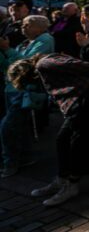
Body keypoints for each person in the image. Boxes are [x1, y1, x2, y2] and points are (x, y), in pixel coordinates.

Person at [28, 53, 89, 206]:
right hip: (81, 101)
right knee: (63, 139)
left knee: (77, 143)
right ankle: (62, 179)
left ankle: (72, 184)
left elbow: (80, 65)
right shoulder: (45, 67)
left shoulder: (43, 64)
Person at [0, 15, 55, 177]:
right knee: (19, 126)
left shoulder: (45, 40)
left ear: (40, 27)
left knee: (7, 127)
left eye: (27, 25)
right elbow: (10, 66)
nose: (23, 27)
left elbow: (26, 65)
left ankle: (10, 163)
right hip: (13, 89)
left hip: (24, 91)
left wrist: (7, 49)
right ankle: (25, 157)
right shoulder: (26, 43)